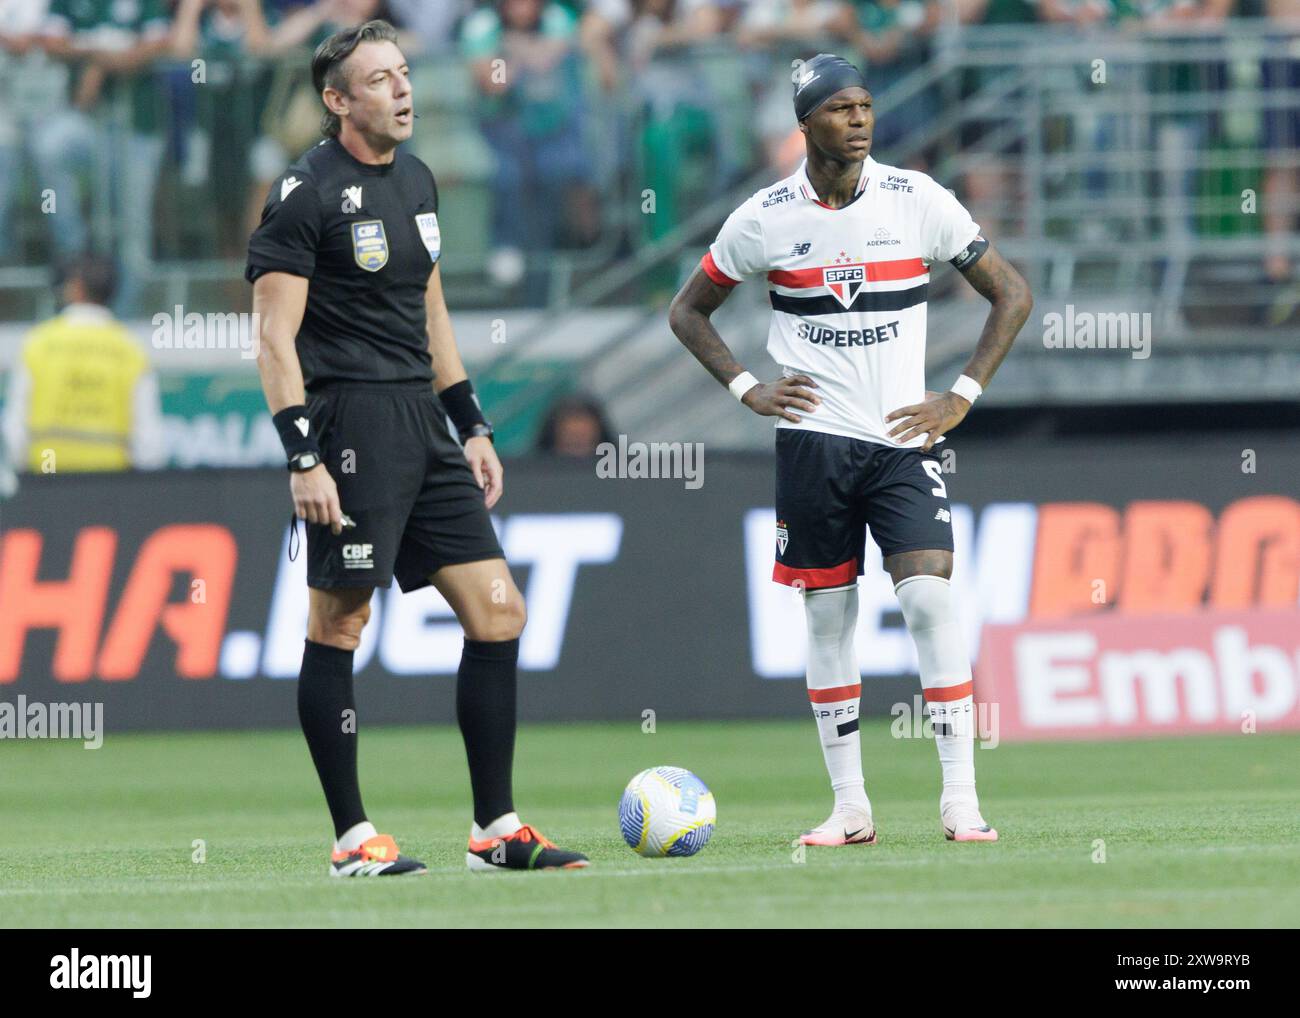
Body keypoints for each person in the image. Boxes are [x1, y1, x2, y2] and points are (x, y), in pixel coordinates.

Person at [245, 19, 588, 875]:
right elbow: (272, 340)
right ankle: (353, 839)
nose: (404, 90)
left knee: (501, 609)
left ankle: (495, 830)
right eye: (381, 80)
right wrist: (302, 456)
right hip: (349, 426)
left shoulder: (421, 180)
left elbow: (432, 315)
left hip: (423, 427)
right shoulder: (304, 192)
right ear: (337, 101)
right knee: (341, 620)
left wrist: (470, 422)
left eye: (404, 74)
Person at [668, 54, 1032, 846]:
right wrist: (745, 388)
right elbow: (688, 312)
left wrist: (961, 395)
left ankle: (961, 802)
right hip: (813, 444)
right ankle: (851, 808)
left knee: (930, 601)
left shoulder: (917, 199)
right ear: (806, 125)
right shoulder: (764, 217)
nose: (860, 119)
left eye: (866, 105)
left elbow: (1013, 292)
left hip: (904, 439)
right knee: (829, 616)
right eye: (840, 108)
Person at [2, 253, 165, 473]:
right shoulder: (130, 350)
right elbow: (149, 442)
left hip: (45, 486)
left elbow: (15, 431)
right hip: (111, 490)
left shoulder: (39, 343)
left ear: (75, 287)